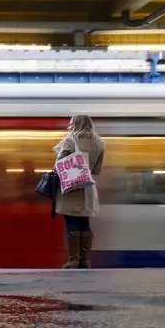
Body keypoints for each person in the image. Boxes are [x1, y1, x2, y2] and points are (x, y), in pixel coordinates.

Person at [53, 115, 105, 269]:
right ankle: (84, 260)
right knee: (84, 223)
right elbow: (96, 170)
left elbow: (59, 165)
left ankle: (73, 260)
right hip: (88, 187)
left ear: (76, 124)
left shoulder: (70, 140)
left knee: (72, 223)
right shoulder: (100, 143)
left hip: (71, 187)